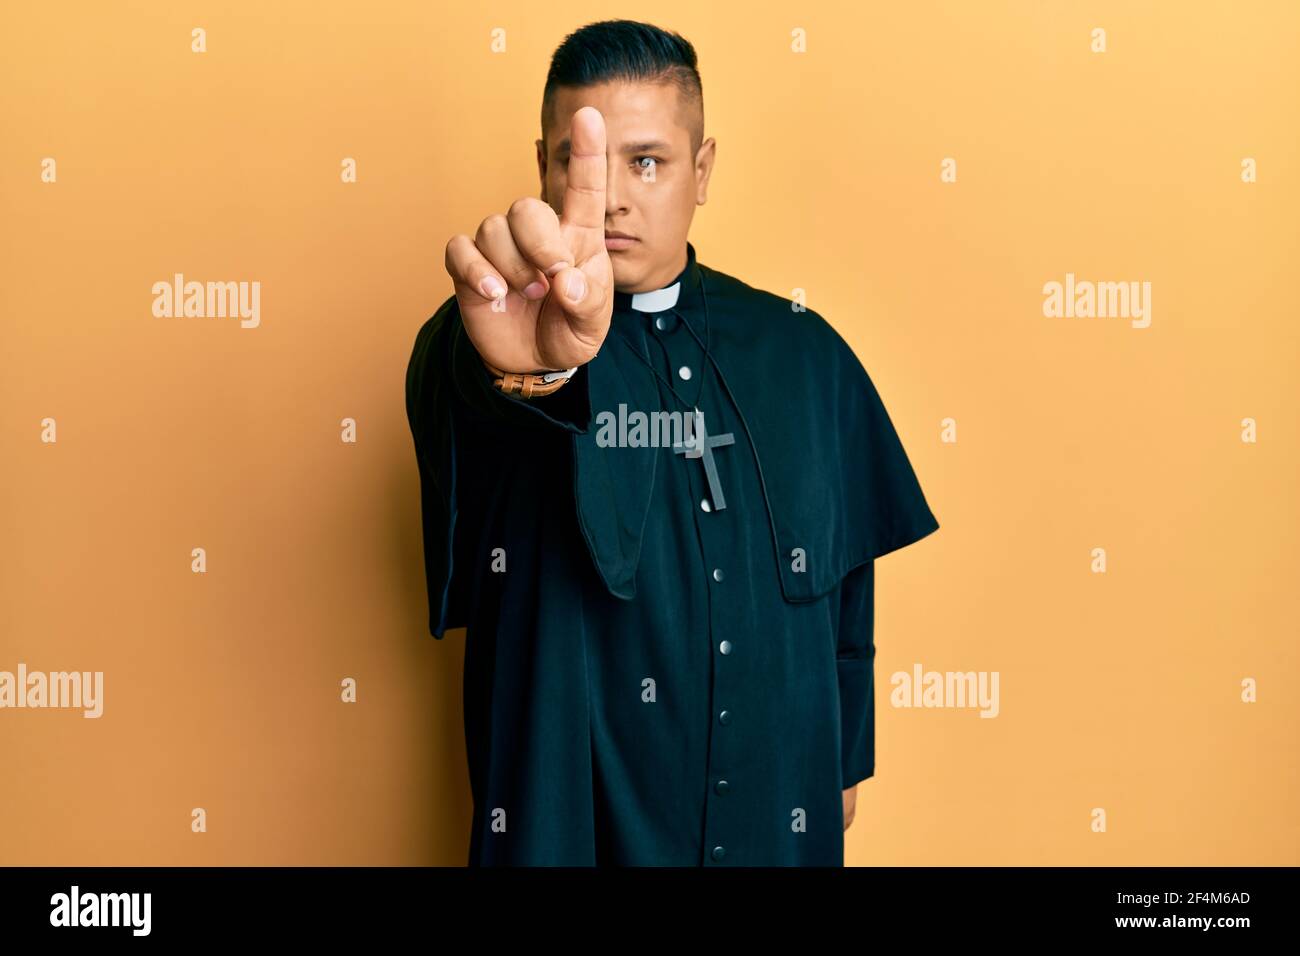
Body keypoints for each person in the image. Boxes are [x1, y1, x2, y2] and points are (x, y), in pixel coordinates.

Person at [405, 18, 940, 866]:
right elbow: (469, 400)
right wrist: (529, 373)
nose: (612, 196)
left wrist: (846, 760)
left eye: (646, 161)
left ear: (703, 169)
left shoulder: (803, 351)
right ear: (544, 166)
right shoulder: (500, 334)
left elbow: (846, 585)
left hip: (774, 812)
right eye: (577, 161)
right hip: (571, 823)